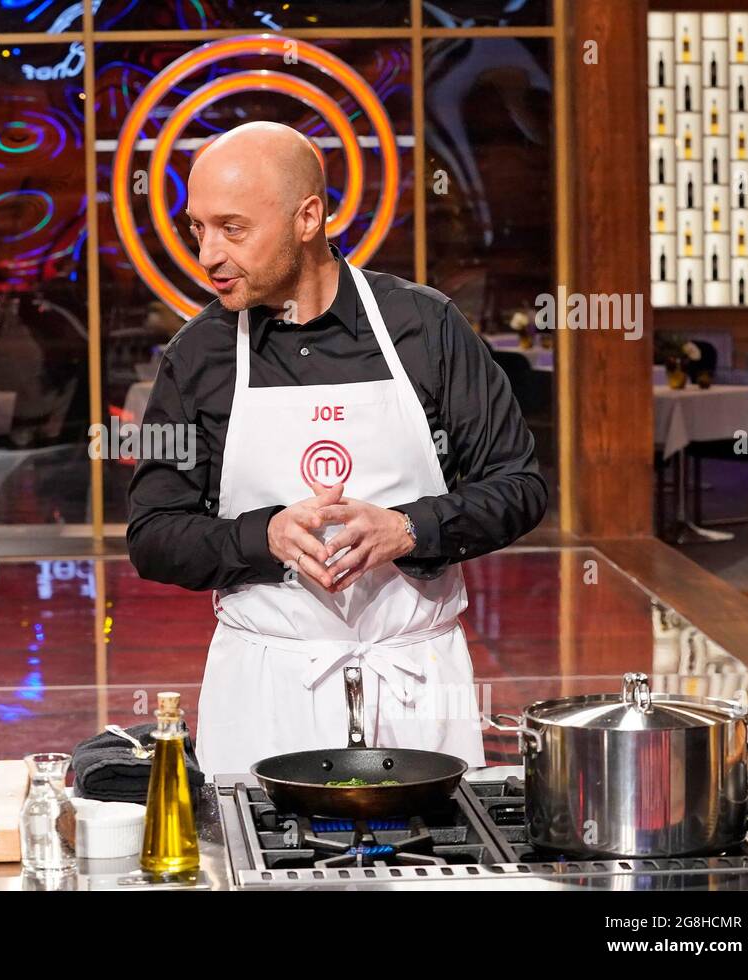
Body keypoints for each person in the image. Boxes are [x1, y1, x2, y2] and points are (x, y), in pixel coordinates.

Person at [126, 123, 547, 775]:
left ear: (308, 217)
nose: (208, 254)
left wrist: (409, 529)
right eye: (198, 230)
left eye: (232, 229)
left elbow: (517, 485)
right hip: (264, 685)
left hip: (416, 678)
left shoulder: (425, 327)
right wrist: (264, 535)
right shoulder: (199, 355)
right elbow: (153, 535)